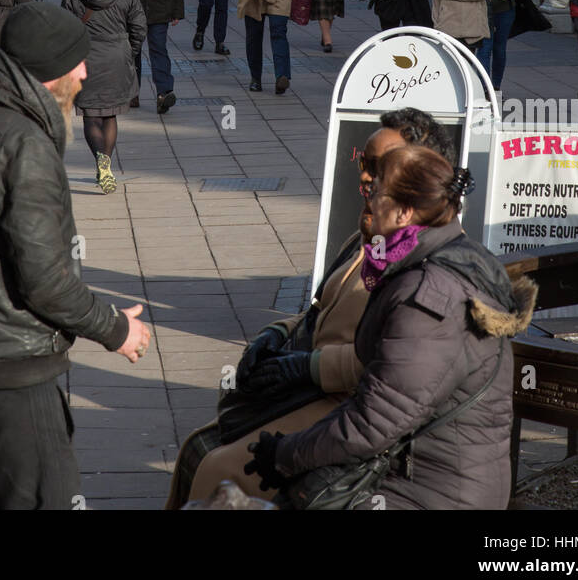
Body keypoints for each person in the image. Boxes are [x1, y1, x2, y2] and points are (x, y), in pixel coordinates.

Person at [166, 110, 488, 508]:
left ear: (417, 176)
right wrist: (280, 333)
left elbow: (392, 380)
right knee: (198, 449)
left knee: (219, 466)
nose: (365, 177)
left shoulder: (427, 272)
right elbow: (321, 308)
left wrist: (311, 369)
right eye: (363, 163)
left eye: (377, 167)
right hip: (320, 396)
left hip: (356, 412)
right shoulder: (368, 239)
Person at [0, 1, 151, 511]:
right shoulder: (22, 142)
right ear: (49, 73)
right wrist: (117, 328)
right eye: (77, 63)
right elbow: (44, 279)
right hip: (12, 375)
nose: (86, 73)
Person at [243, 144, 536, 509]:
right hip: (412, 472)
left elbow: (373, 423)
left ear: (404, 212)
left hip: (434, 493)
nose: (366, 200)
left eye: (375, 192)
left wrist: (285, 455)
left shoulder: (430, 299)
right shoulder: (440, 254)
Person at [61, 0, 147, 193]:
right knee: (109, 114)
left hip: (86, 58)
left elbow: (65, 24)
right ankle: (106, 163)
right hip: (117, 56)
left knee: (90, 114)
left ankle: (100, 160)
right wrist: (129, 51)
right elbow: (139, 26)